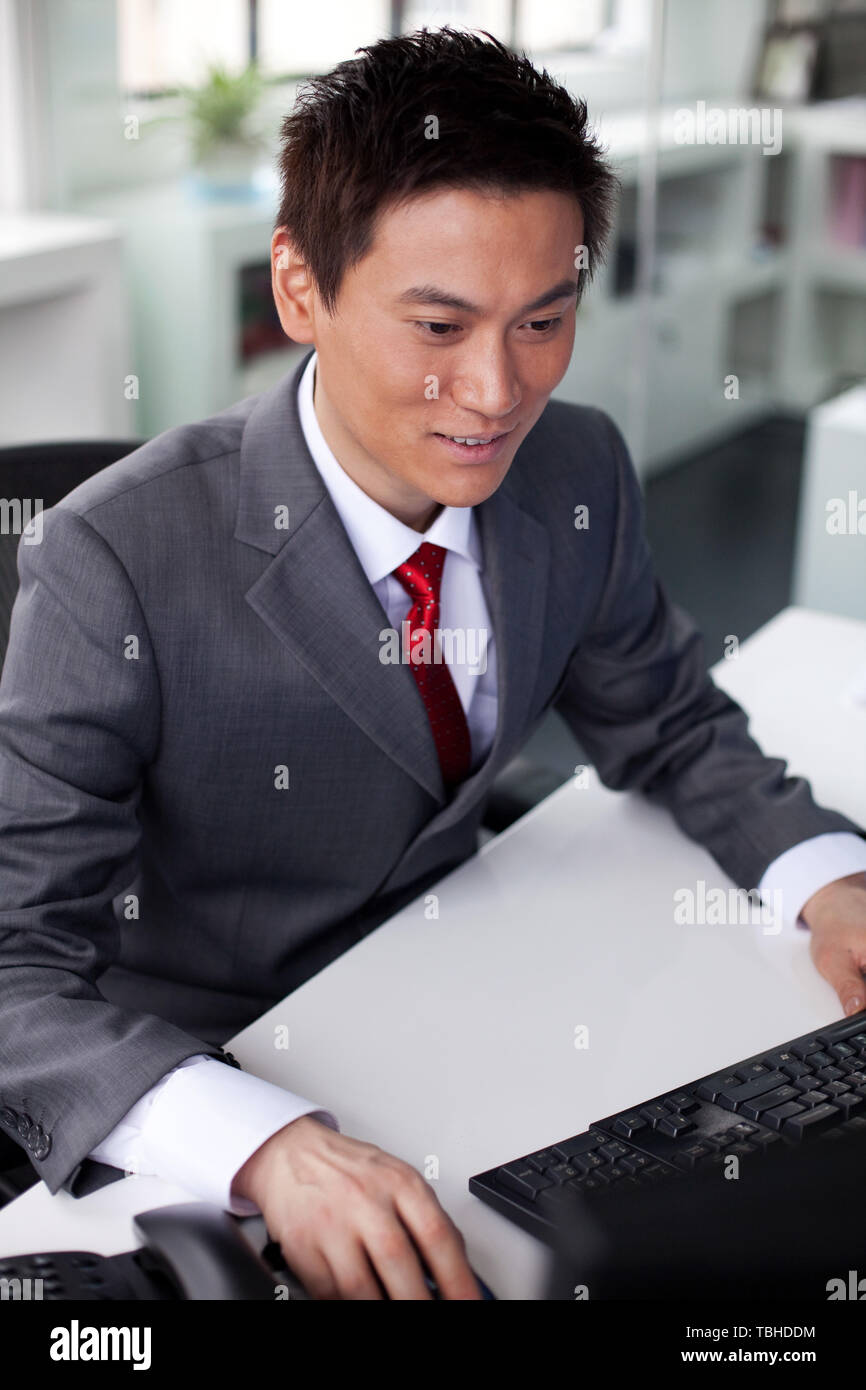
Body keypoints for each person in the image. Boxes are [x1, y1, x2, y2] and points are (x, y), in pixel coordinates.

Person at [1, 27, 865, 1301]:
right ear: (299, 288)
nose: (495, 390)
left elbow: (668, 722)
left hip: (467, 981)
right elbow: (15, 962)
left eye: (544, 320)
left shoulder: (576, 468)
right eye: (438, 323)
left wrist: (824, 876)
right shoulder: (112, 557)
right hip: (220, 1060)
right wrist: (257, 1146)